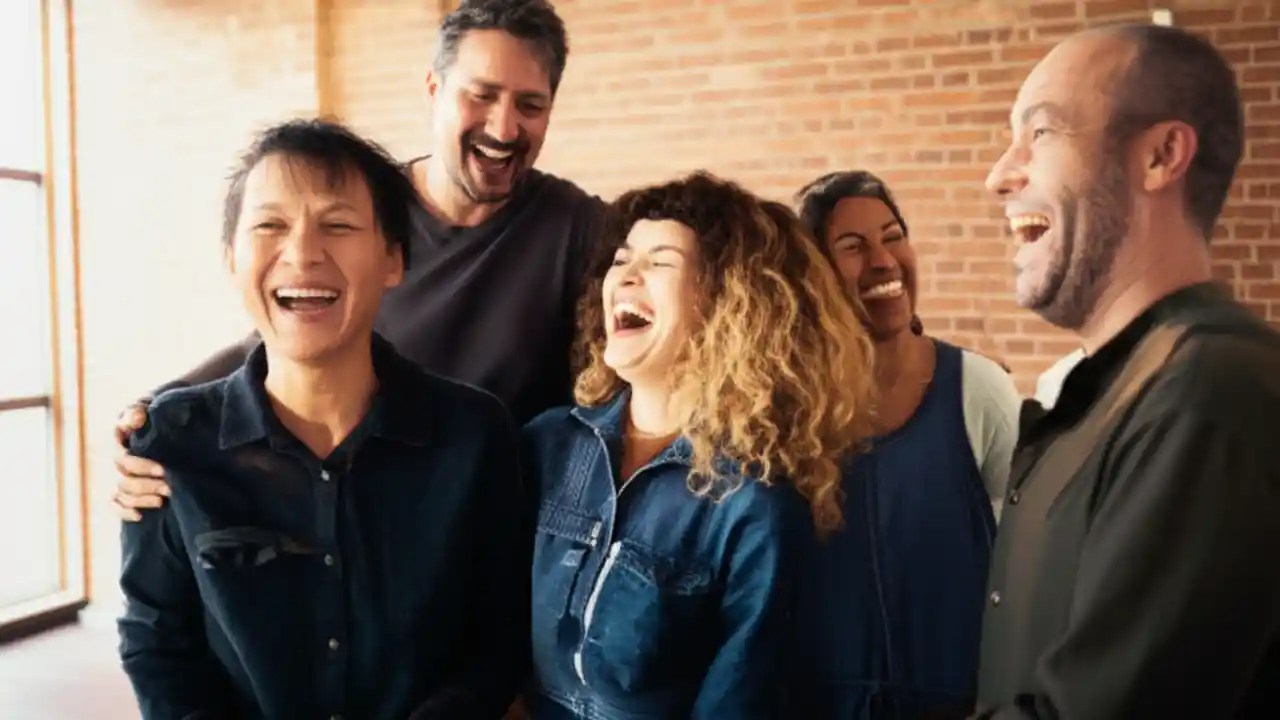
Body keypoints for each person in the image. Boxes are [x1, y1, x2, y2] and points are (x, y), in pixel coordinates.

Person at [112, 0, 605, 520]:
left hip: (488, 537)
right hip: (347, 519)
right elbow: (279, 336)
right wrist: (156, 411)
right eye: (481, 96)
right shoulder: (366, 210)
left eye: (530, 105)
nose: (504, 129)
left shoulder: (578, 229)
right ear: (434, 90)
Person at [117, 119, 528, 719]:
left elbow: (498, 640)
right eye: (269, 225)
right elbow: (157, 644)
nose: (304, 252)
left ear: (393, 258)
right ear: (232, 258)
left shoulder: (473, 433)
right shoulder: (170, 444)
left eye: (337, 225)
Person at [976, 24, 1280, 718]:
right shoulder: (1121, 385)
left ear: (1161, 156)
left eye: (1042, 132)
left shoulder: (1208, 396)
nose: (999, 174)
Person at [523, 172, 877, 719]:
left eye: (660, 262)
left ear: (730, 306)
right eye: (621, 259)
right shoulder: (548, 445)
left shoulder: (752, 504)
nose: (627, 276)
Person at [788, 170, 1022, 718]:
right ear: (815, 275)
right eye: (853, 247)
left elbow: (1025, 569)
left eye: (893, 237)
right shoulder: (788, 411)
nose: (883, 261)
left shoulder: (980, 390)